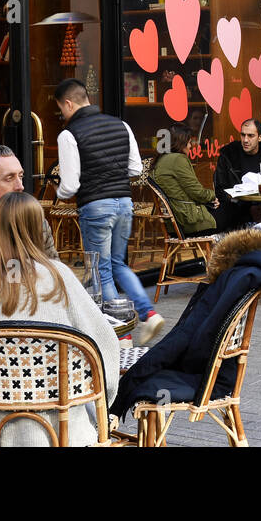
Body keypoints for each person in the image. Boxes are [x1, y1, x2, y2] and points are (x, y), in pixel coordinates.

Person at [0, 191, 120, 447]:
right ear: (38, 226)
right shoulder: (58, 276)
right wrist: (101, 402)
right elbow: (106, 346)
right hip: (63, 428)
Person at [54, 78, 164, 346]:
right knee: (118, 264)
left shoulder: (69, 135)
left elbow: (70, 185)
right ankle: (148, 313)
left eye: (61, 109)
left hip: (95, 206)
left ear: (68, 104)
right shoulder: (121, 125)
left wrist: (57, 194)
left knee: (101, 270)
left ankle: (122, 334)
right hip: (124, 203)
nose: (62, 115)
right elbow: (136, 169)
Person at [151, 127, 218, 236]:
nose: (191, 146)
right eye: (189, 142)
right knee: (232, 210)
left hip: (173, 223)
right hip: (188, 222)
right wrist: (214, 196)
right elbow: (197, 193)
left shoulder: (161, 159)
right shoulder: (178, 159)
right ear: (180, 143)